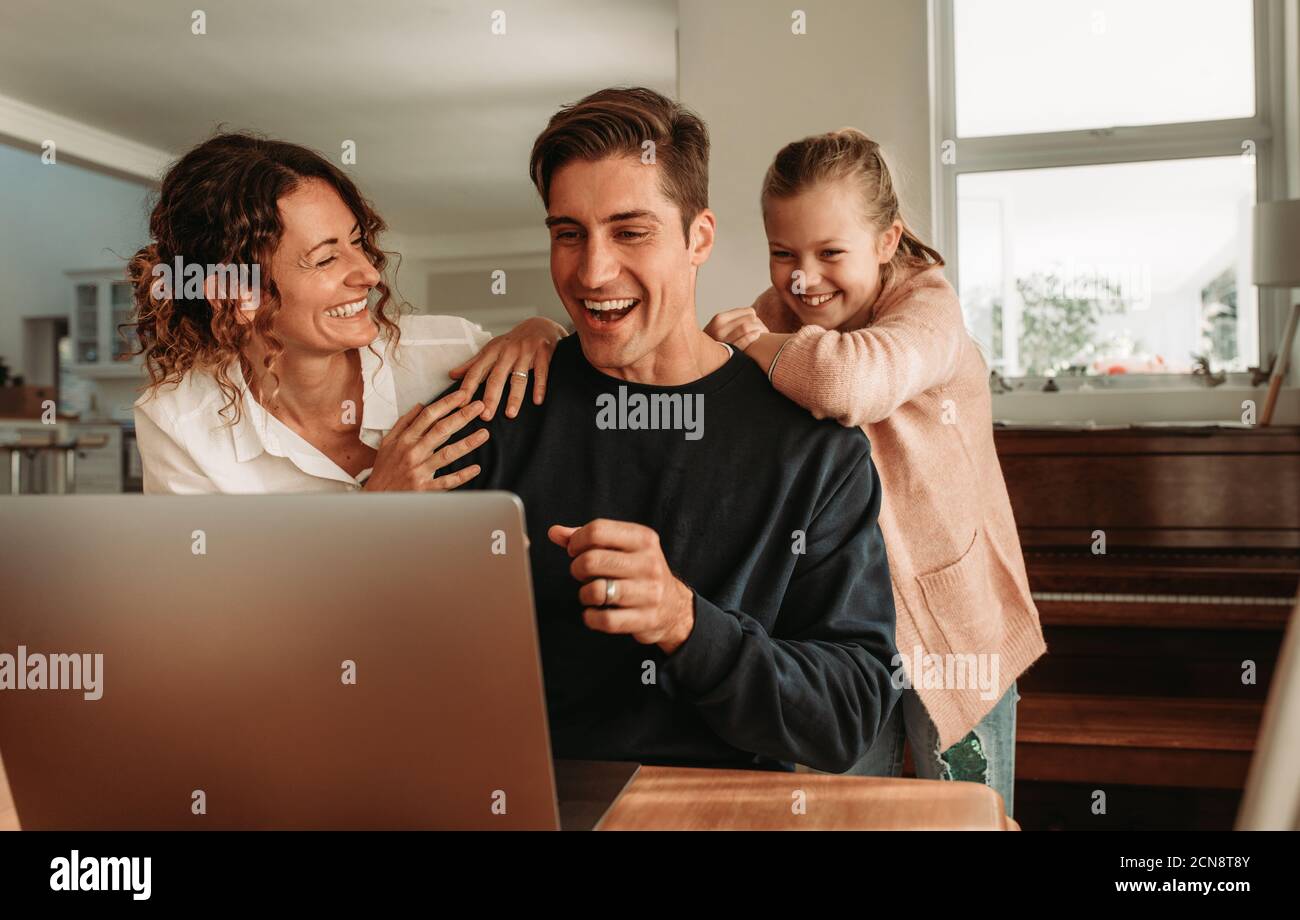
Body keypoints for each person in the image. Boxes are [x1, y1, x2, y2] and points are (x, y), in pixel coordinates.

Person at [438, 88, 901, 773]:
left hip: (726, 815)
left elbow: (846, 716)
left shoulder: (815, 450)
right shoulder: (491, 409)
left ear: (699, 239)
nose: (592, 273)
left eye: (630, 231)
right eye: (568, 233)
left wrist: (687, 623)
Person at [705, 128, 1047, 815]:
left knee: (964, 818)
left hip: (954, 630)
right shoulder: (780, 318)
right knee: (844, 818)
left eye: (832, 253)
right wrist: (538, 331)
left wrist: (750, 342)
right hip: (838, 628)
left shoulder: (930, 311)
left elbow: (848, 382)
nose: (804, 278)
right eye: (782, 253)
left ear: (887, 241)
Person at [130, 133, 565, 494]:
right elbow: (212, 591)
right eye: (324, 260)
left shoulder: (454, 353)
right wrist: (374, 508)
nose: (369, 275)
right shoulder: (177, 422)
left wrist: (546, 333)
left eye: (356, 242)